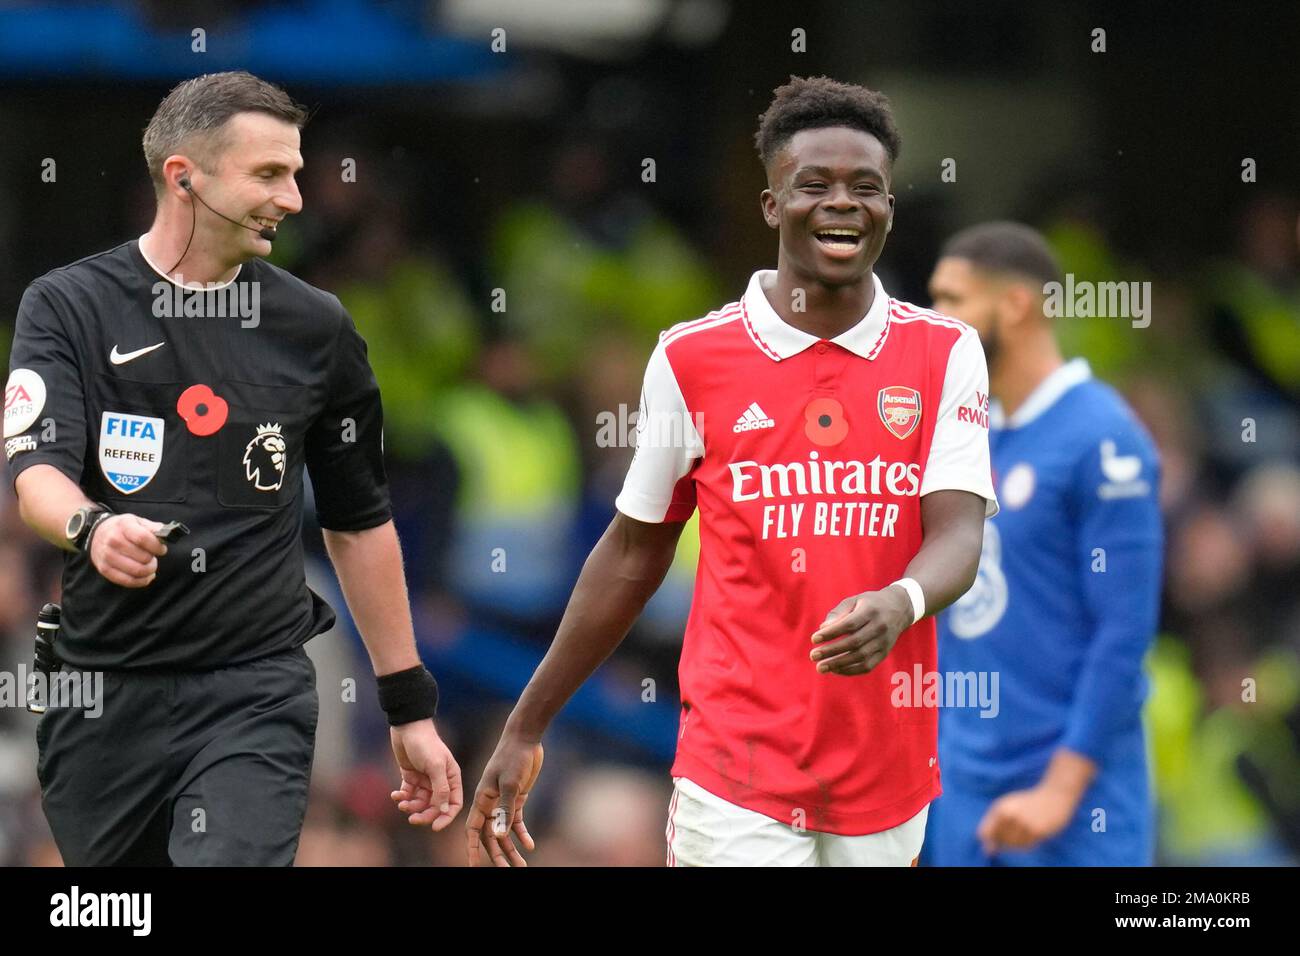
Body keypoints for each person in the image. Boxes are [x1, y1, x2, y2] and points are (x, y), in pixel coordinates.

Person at [464, 76, 997, 867]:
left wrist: (901, 600)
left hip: (885, 772)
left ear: (888, 206)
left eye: (867, 188)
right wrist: (527, 723)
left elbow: (958, 533)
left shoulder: (945, 352)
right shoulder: (693, 357)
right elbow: (634, 549)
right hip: (735, 770)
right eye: (813, 185)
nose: (842, 203)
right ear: (772, 205)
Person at [3, 71, 461, 866]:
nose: (294, 198)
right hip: (103, 694)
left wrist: (408, 707)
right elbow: (35, 474)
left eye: (295, 172)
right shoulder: (67, 305)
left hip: (254, 691)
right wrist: (94, 527)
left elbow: (359, 523)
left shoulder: (315, 327)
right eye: (269, 174)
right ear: (185, 177)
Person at [924, 221, 1163, 865]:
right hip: (965, 792)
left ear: (1016, 306)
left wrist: (1060, 791)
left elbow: (1125, 634)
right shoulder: (963, 439)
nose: (936, 320)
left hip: (1074, 804)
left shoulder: (1104, 438)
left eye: (953, 301)